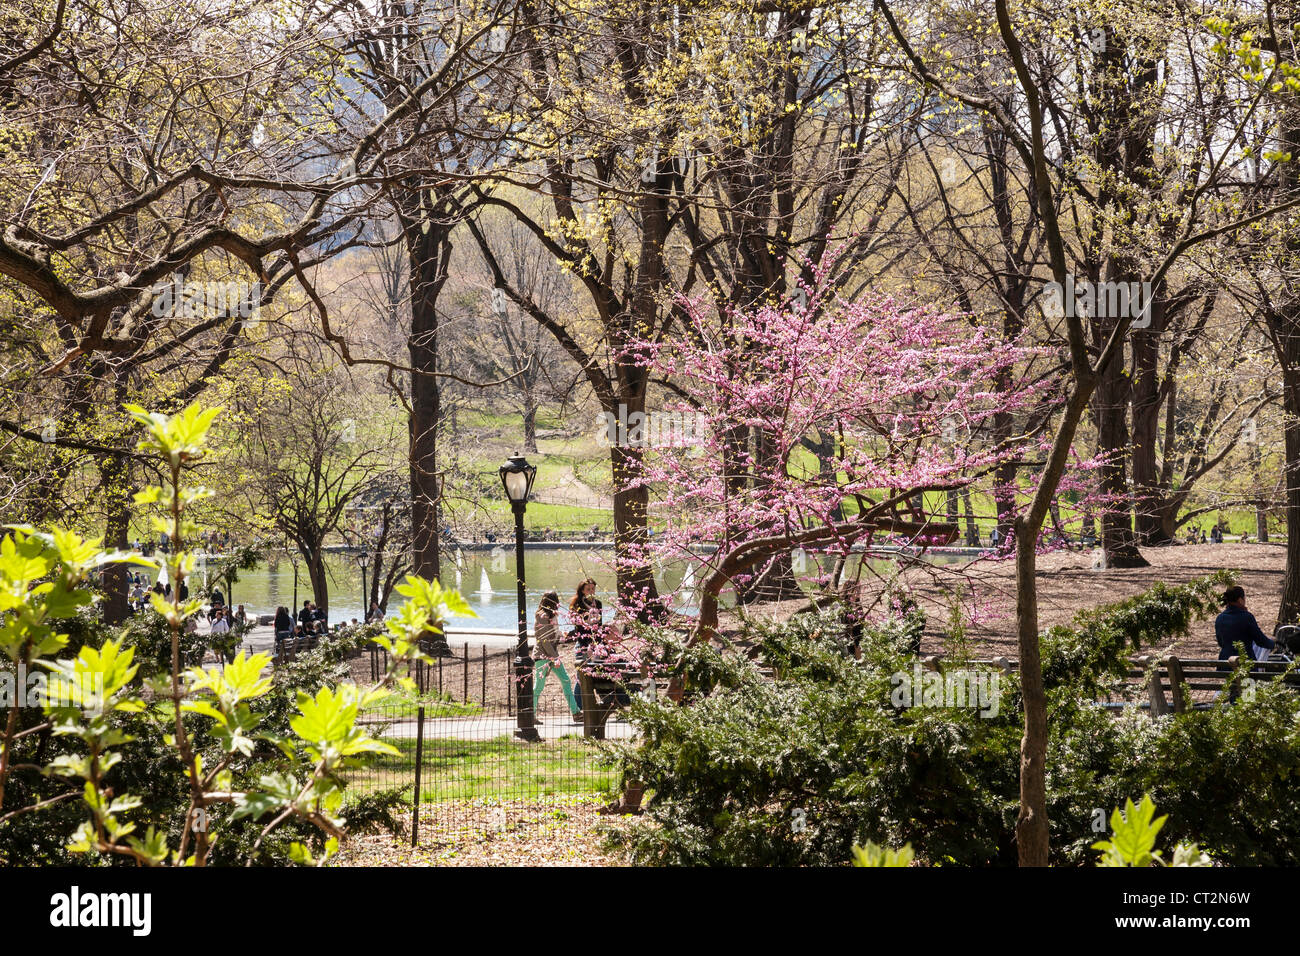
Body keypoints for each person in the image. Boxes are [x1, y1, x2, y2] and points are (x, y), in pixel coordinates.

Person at [533, 591, 580, 720]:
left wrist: (562, 635)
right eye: (556, 601)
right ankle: (529, 714)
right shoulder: (541, 617)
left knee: (565, 680)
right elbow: (544, 640)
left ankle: (576, 713)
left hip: (553, 655)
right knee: (538, 687)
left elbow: (553, 635)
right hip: (542, 656)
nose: (558, 604)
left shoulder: (552, 616)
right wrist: (555, 658)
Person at [568, 579, 603, 713]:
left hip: (596, 644)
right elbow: (578, 628)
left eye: (593, 589)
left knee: (596, 674)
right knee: (581, 676)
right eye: (588, 589)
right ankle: (578, 708)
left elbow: (600, 625)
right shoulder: (577, 605)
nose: (591, 592)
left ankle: (597, 703)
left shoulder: (598, 604)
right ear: (582, 590)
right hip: (583, 644)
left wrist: (598, 643)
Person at [1215, 586, 1275, 662]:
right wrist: (1273, 644)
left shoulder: (1220, 618)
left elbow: (1221, 642)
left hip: (1225, 663)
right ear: (1240, 600)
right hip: (1244, 662)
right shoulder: (1246, 617)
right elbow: (1260, 641)